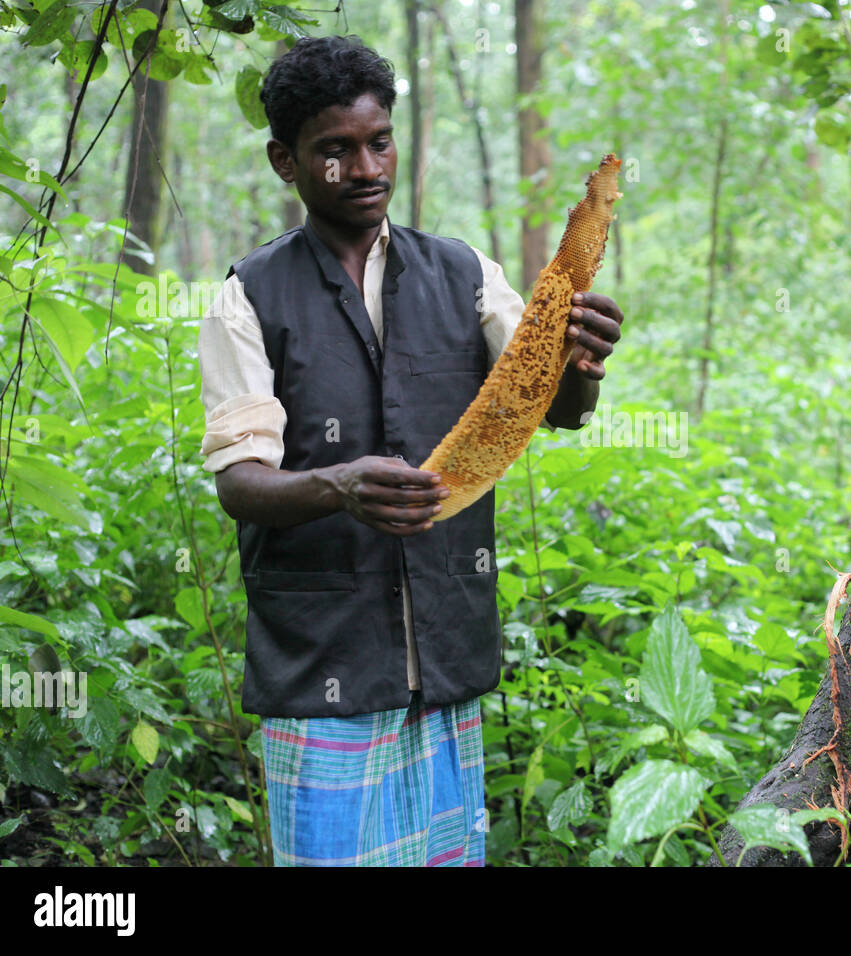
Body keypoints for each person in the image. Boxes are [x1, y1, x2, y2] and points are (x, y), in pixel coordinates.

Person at [196, 35, 624, 866]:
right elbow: (241, 483)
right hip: (324, 666)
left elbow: (555, 410)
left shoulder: (461, 272)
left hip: (446, 655)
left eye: (379, 141)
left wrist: (582, 362)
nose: (365, 168)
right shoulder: (248, 296)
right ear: (286, 161)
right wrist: (338, 485)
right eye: (335, 150)